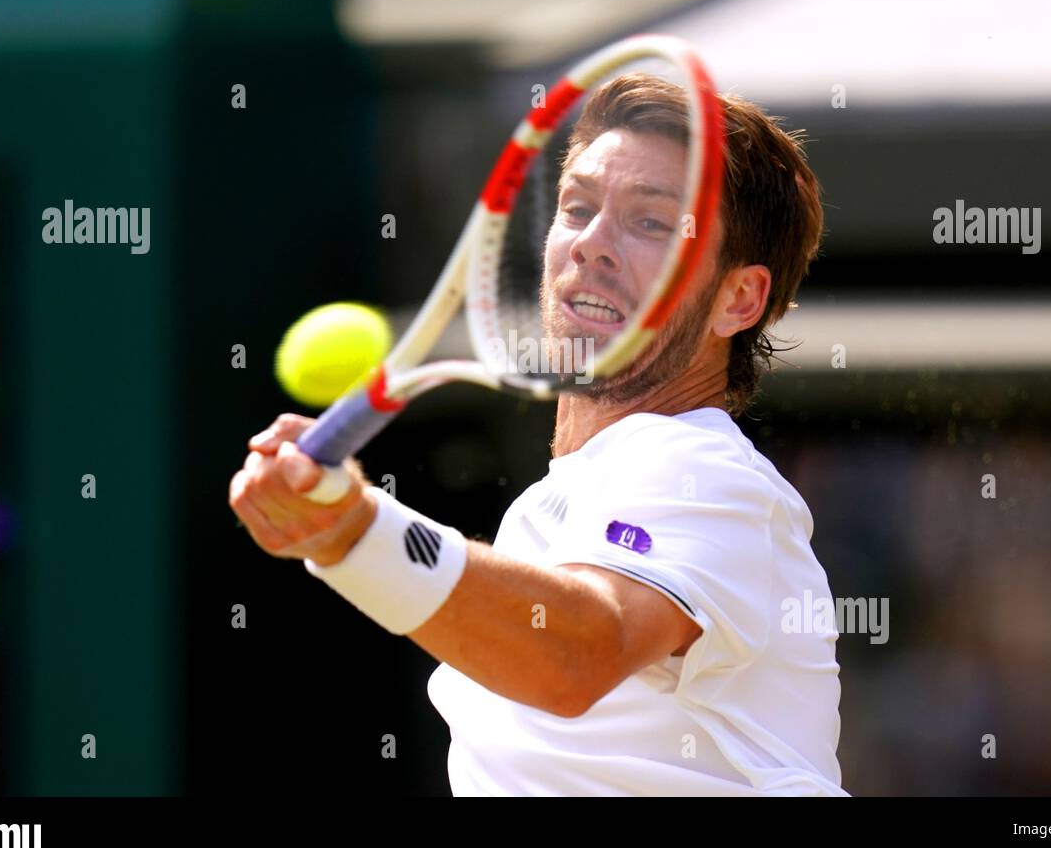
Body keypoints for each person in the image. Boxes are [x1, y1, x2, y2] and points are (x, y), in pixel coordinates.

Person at [229, 74, 845, 795]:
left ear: (738, 298)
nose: (591, 245)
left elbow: (576, 654)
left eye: (651, 224)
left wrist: (354, 531)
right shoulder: (560, 506)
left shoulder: (699, 466)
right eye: (577, 207)